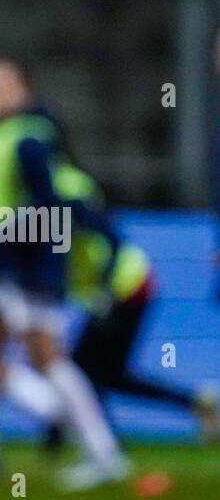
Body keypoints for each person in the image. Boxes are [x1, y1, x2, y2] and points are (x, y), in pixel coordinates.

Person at [0, 56, 129, 491]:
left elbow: (50, 209)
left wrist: (0, 236)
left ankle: (88, 440)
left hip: (27, 270)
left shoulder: (31, 139)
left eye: (3, 85)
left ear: (25, 92)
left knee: (32, 358)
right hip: (1, 266)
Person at [57, 162, 219, 440]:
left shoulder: (62, 188)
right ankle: (194, 404)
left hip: (126, 287)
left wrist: (105, 289)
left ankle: (98, 446)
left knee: (84, 367)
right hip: (121, 286)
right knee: (104, 373)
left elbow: (108, 236)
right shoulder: (61, 185)